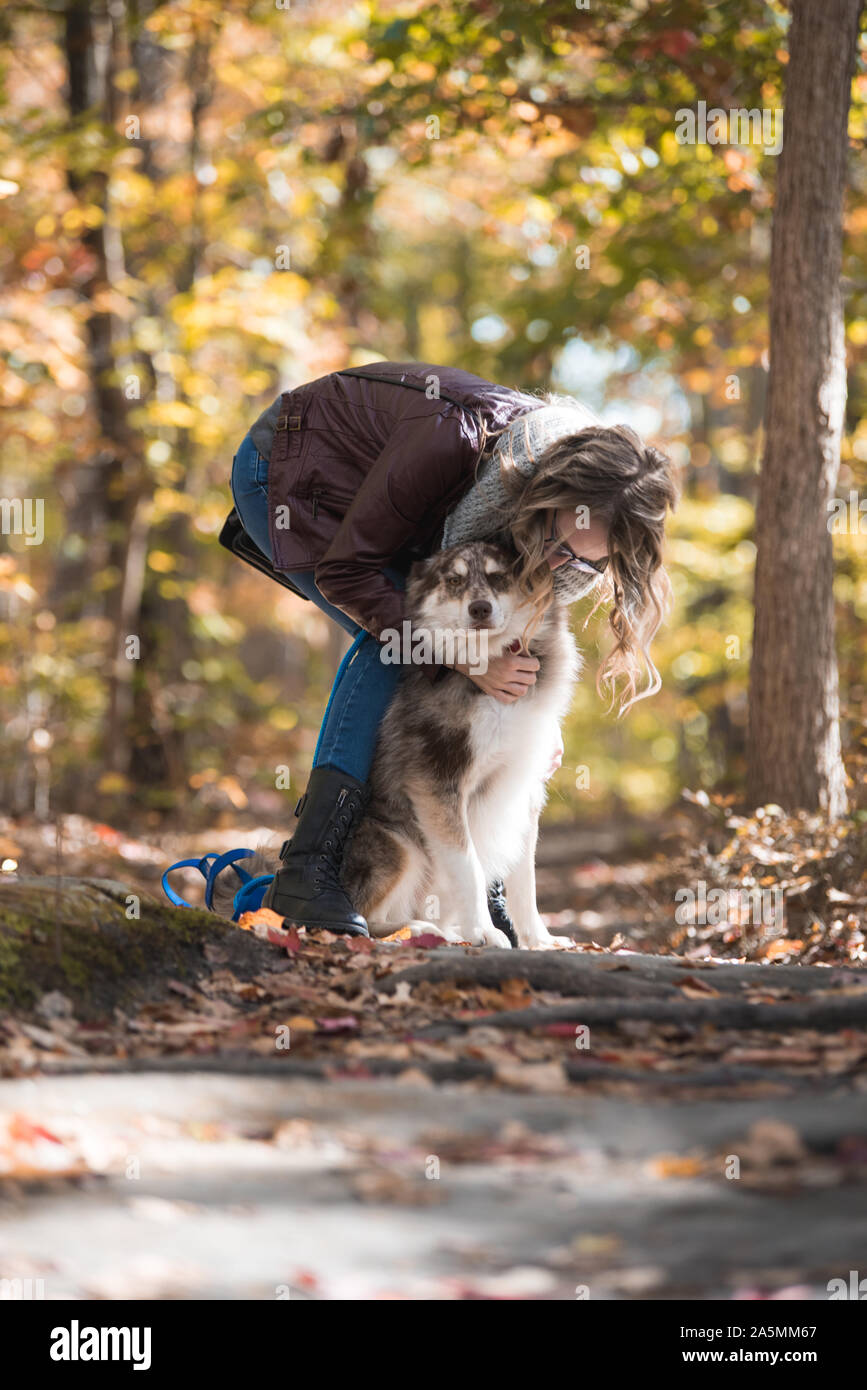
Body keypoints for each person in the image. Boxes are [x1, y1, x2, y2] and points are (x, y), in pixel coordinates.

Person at [222, 360, 677, 937]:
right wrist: (467, 657)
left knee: (432, 639)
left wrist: (531, 715)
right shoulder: (449, 438)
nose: (563, 564)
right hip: (292, 473)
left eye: (586, 560)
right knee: (395, 643)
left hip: (381, 517)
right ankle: (309, 871)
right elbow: (348, 572)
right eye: (559, 542)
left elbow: (524, 622)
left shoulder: (569, 534)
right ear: (545, 496)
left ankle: (482, 900)